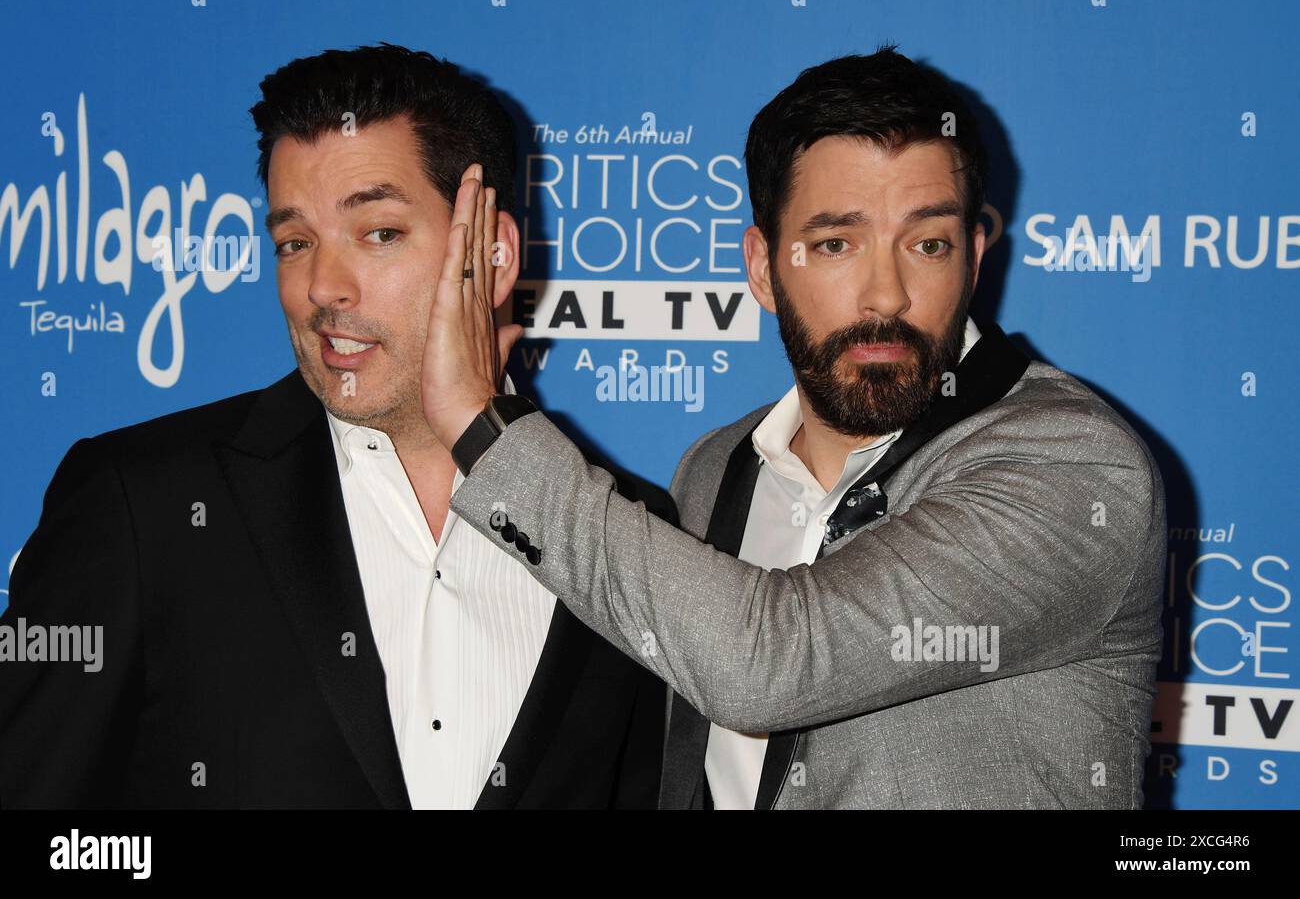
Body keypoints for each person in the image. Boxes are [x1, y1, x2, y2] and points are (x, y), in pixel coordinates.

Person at [421, 44, 1167, 809]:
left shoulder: (1073, 465)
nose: (887, 295)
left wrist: (486, 429)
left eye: (928, 244)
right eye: (836, 244)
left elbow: (768, 663)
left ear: (973, 257)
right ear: (761, 266)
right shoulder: (714, 467)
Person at [0, 44, 668, 809]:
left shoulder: (632, 534)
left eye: (378, 232)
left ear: (493, 251)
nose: (322, 285)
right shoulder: (142, 504)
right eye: (294, 242)